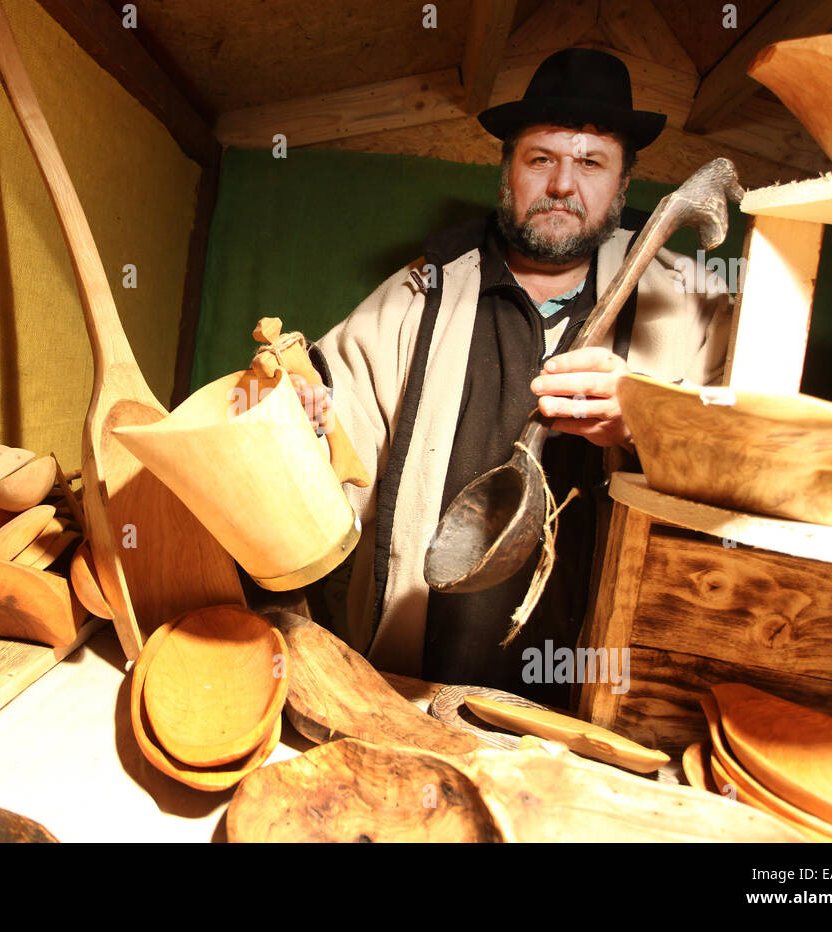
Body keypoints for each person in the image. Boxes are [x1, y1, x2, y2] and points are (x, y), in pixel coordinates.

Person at [290, 48, 731, 708]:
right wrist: (287, 414)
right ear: (508, 171)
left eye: (589, 162)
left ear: (623, 181)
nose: (562, 184)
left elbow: (744, 455)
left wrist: (648, 421)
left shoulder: (692, 305)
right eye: (540, 158)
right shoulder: (420, 294)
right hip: (413, 685)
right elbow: (323, 449)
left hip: (591, 705)